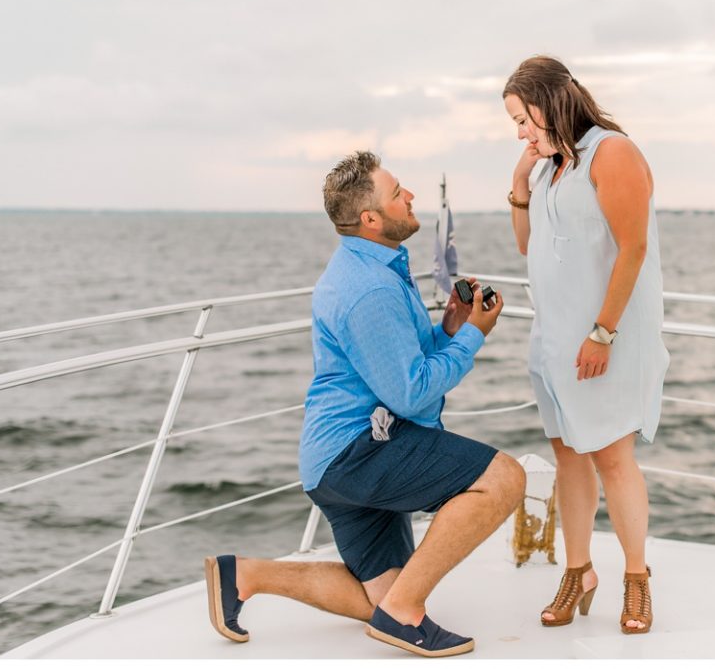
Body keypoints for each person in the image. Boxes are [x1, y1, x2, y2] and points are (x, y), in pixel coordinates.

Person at [202, 151, 524, 658]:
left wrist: (450, 331)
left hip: (333, 464)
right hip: (360, 453)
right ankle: (403, 616)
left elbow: (401, 370)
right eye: (398, 192)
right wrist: (475, 338)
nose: (411, 196)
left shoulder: (371, 266)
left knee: (380, 597)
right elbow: (412, 392)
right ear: (371, 218)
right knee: (505, 477)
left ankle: (245, 574)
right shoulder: (369, 287)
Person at [502, 55, 669, 634]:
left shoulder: (611, 151)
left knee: (614, 459)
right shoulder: (549, 167)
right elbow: (529, 247)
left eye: (523, 119)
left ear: (550, 103)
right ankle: (579, 570)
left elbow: (633, 249)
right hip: (552, 341)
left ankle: (637, 578)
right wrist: (521, 182)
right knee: (569, 458)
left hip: (603, 339)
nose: (521, 133)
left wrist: (603, 332)